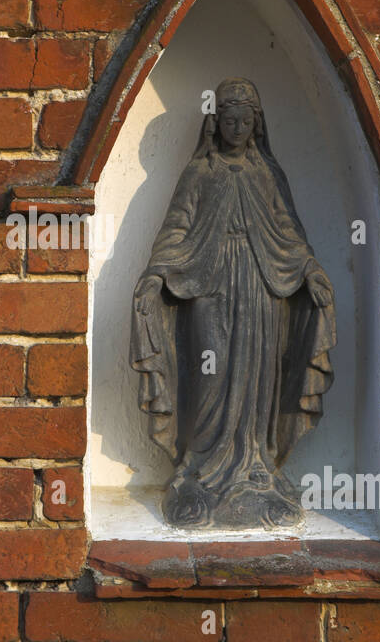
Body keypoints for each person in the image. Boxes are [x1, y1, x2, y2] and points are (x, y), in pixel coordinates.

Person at [130, 77, 336, 528]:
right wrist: (156, 274)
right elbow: (176, 230)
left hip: (263, 288)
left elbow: (289, 233)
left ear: (256, 124)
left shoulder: (268, 174)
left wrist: (309, 270)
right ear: (215, 122)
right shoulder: (199, 174)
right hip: (208, 284)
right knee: (211, 373)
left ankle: (256, 466)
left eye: (246, 120)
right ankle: (198, 467)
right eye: (229, 119)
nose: (238, 127)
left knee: (258, 377)